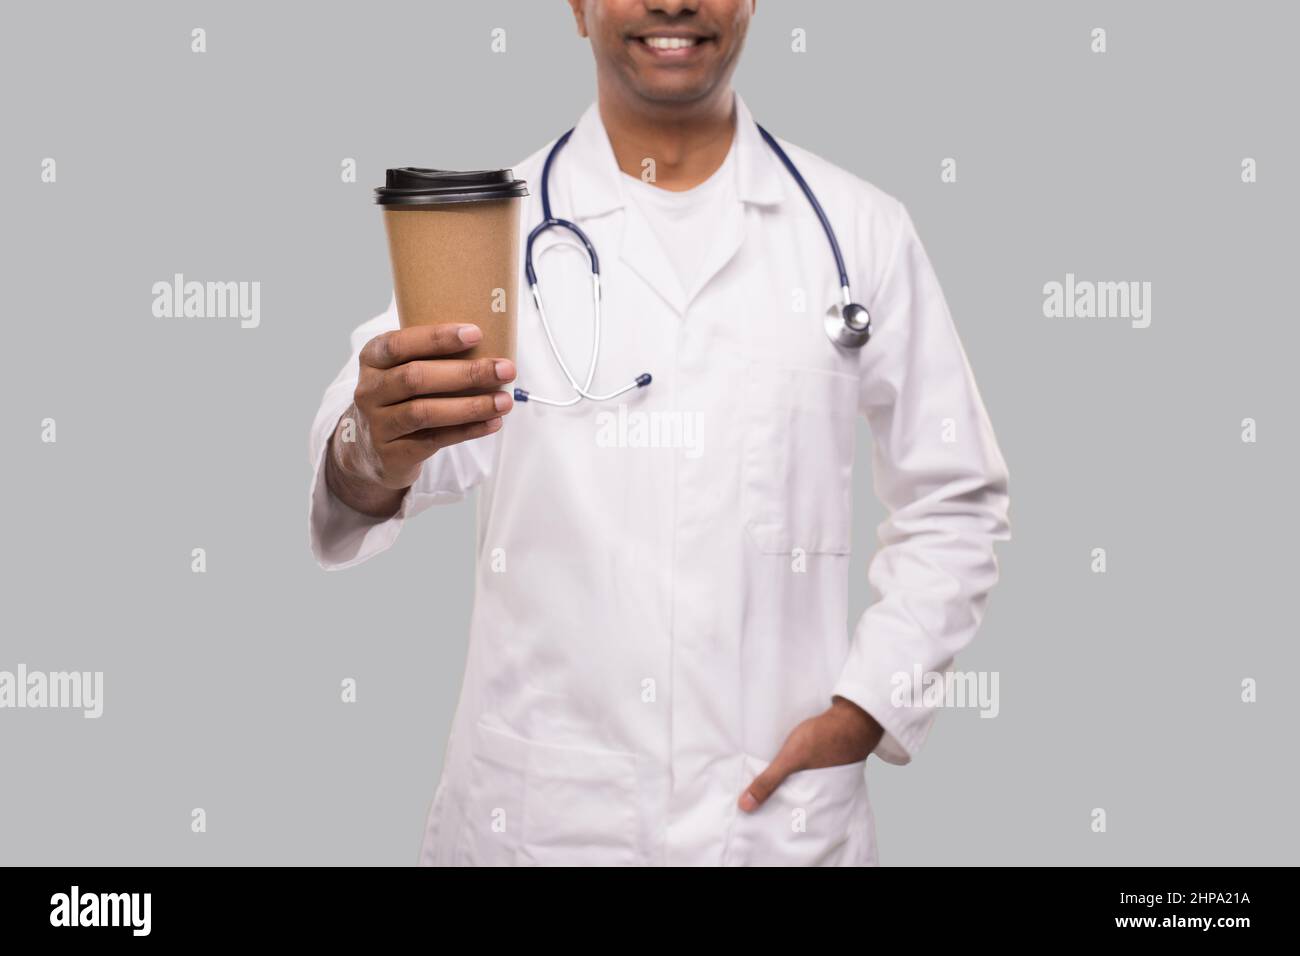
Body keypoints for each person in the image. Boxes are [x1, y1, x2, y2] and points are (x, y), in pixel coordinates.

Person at [308, 0, 1010, 866]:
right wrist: (372, 449)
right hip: (544, 822)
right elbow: (364, 468)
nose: (673, 2)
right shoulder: (488, 234)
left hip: (777, 826)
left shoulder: (859, 232)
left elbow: (955, 497)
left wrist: (871, 703)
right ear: (578, 7)